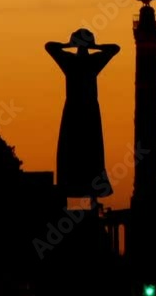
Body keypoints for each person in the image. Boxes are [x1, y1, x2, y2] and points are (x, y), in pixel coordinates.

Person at [44, 29, 120, 199]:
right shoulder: (92, 61)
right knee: (85, 148)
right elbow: (114, 48)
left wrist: (68, 45)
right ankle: (82, 188)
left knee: (77, 148)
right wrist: (95, 46)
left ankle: (79, 187)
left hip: (76, 110)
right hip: (85, 110)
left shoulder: (70, 61)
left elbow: (50, 47)